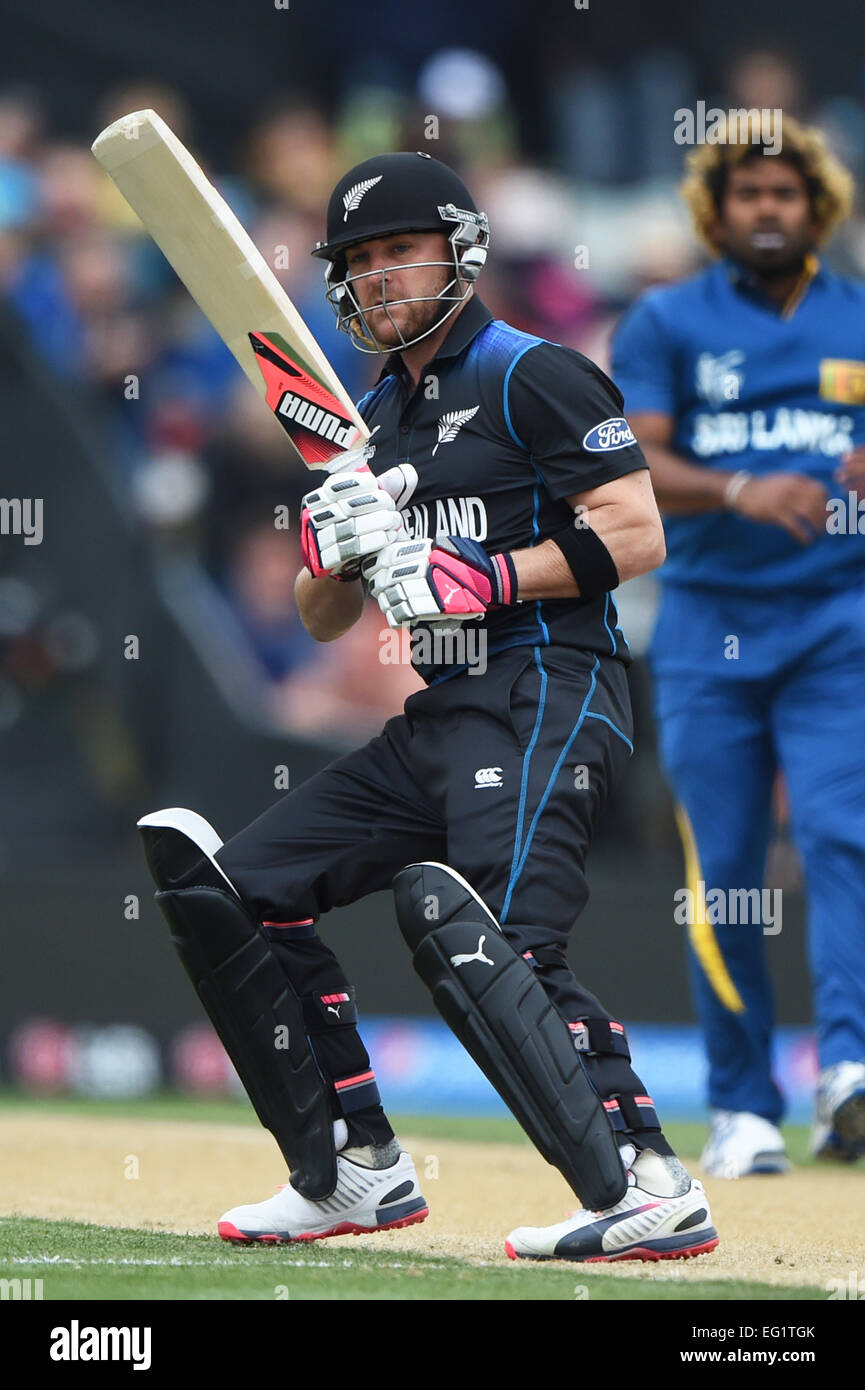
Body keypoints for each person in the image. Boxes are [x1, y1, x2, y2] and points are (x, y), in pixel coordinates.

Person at [139, 151, 718, 1262]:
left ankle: (649, 1177)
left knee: (501, 935)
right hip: (445, 709)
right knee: (245, 891)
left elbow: (638, 532)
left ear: (459, 251)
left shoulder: (531, 372)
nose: (374, 278)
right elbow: (319, 618)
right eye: (355, 263)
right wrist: (329, 548)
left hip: (550, 685)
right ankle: (355, 1165)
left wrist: (484, 575)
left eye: (396, 252)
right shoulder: (367, 419)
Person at [612, 116, 865, 1177]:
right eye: (747, 194)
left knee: (843, 839)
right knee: (721, 876)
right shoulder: (666, 319)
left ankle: (848, 1071)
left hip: (838, 626)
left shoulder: (858, 313)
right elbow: (629, 458)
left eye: (785, 194)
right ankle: (740, 1105)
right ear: (714, 211)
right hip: (707, 632)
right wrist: (736, 488)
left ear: (818, 208)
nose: (768, 209)